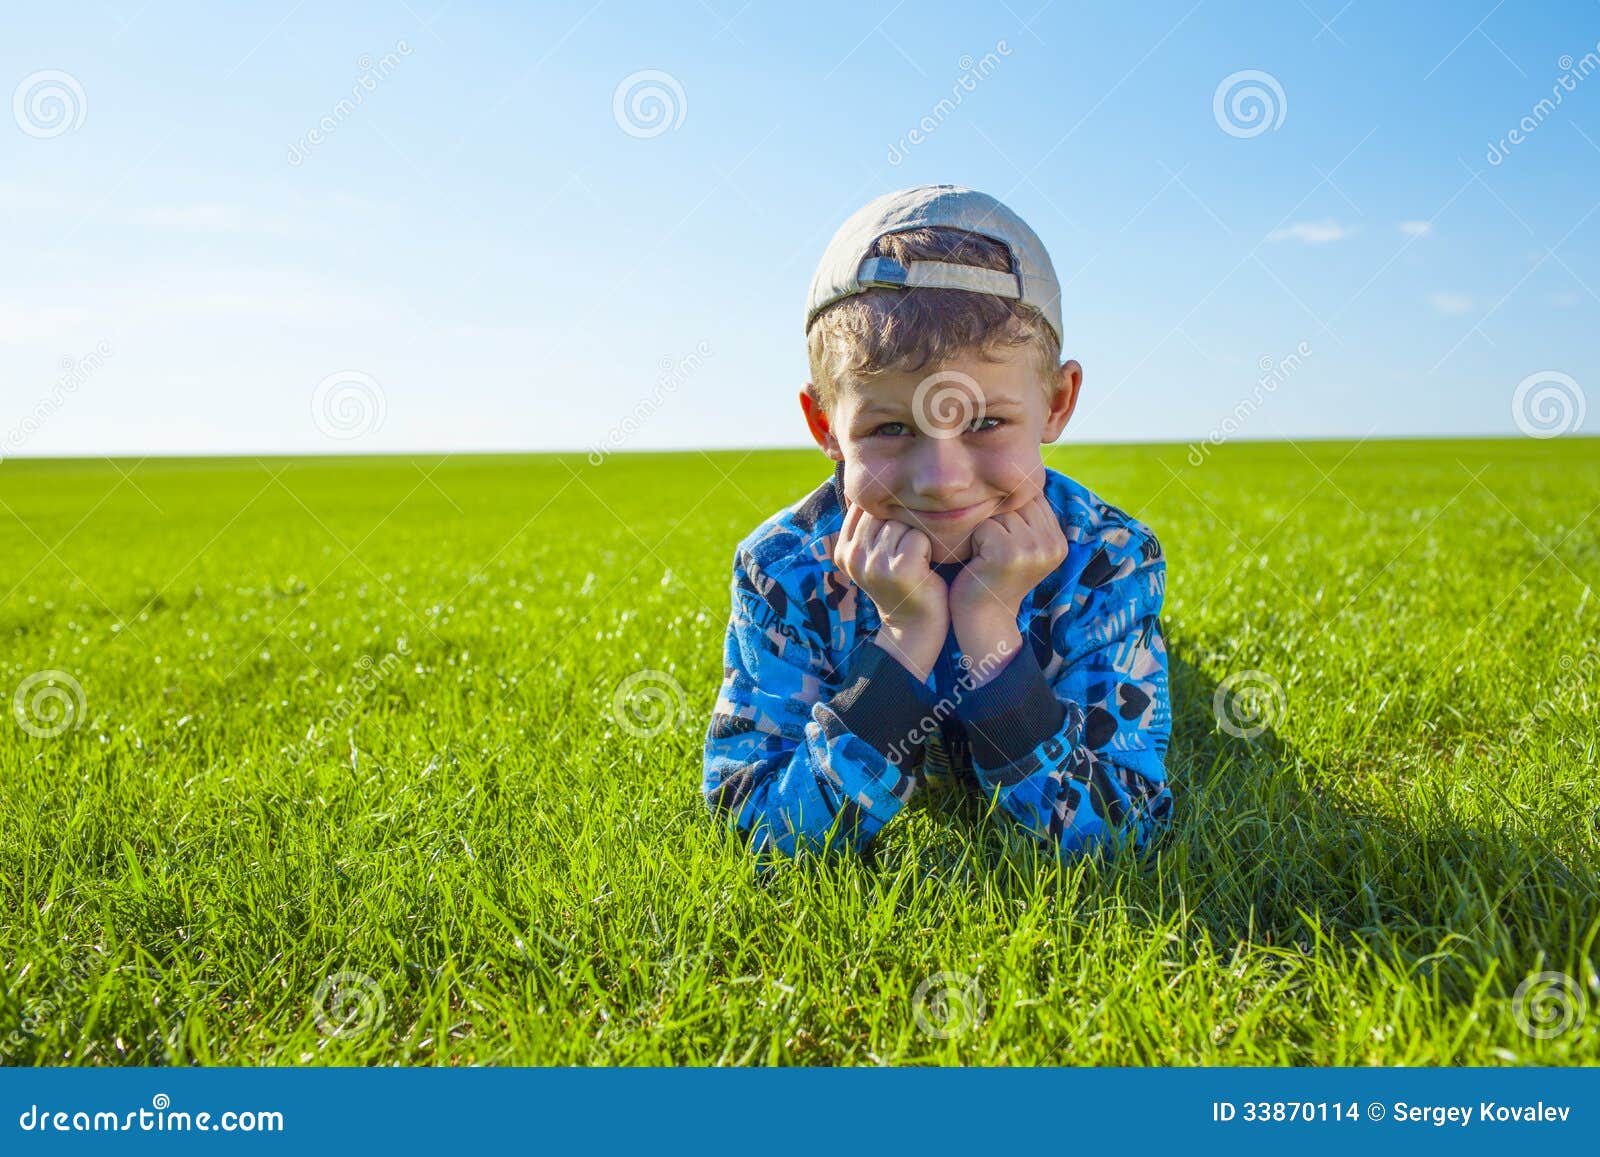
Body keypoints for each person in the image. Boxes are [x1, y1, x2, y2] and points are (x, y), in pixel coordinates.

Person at [701, 184, 1172, 863]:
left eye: (984, 422)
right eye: (891, 428)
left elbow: (1123, 834)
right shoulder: (783, 572)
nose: (942, 479)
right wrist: (902, 640)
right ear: (824, 425)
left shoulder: (1107, 561)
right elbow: (757, 832)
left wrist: (991, 633)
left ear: (1057, 404)